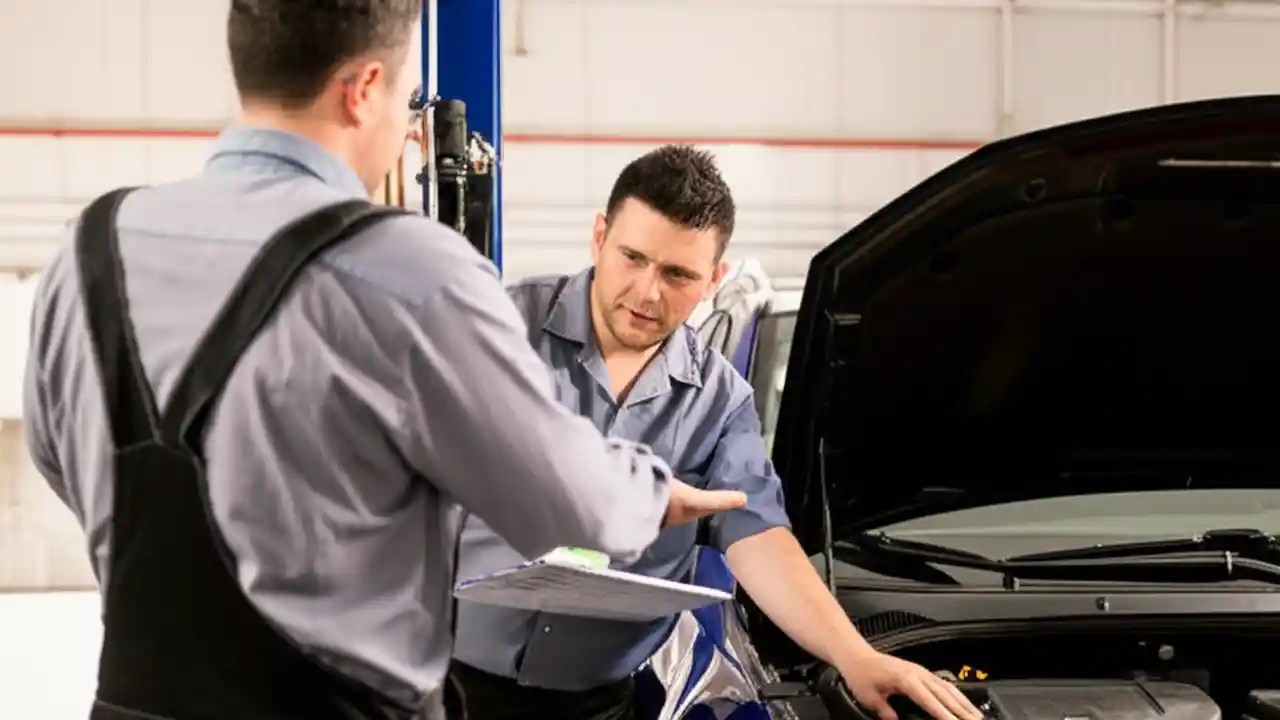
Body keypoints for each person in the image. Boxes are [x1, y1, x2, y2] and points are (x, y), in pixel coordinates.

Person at [21, 4, 746, 720]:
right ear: (365, 89)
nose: (408, 128)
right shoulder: (413, 270)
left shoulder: (89, 250)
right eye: (407, 99)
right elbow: (570, 504)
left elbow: (58, 458)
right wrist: (655, 496)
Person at [449, 145, 985, 720]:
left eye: (677, 274)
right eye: (633, 257)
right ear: (600, 237)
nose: (648, 292)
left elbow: (757, 534)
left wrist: (855, 656)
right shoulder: (494, 328)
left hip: (596, 705)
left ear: (713, 279)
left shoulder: (719, 402)